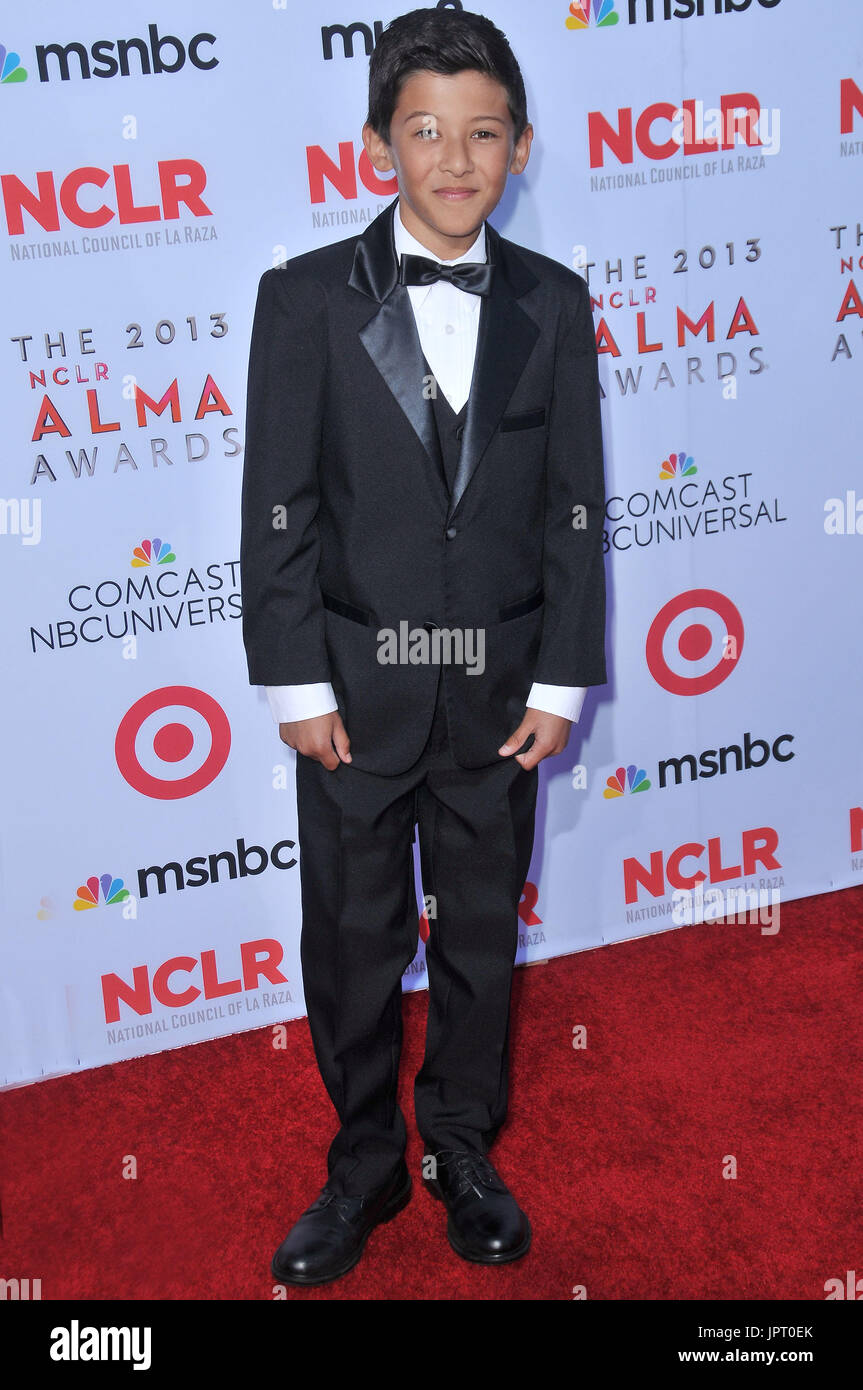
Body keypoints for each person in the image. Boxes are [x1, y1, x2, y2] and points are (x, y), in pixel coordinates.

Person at [240, 6, 607, 1287]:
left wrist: (561, 676)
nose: (455, 162)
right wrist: (293, 679)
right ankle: (360, 1169)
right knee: (348, 940)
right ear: (378, 146)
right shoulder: (301, 300)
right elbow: (278, 506)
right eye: (426, 134)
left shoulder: (554, 306)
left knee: (474, 943)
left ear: (518, 148)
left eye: (483, 135)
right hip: (351, 697)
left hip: (499, 699)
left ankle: (458, 1152)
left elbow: (573, 505)